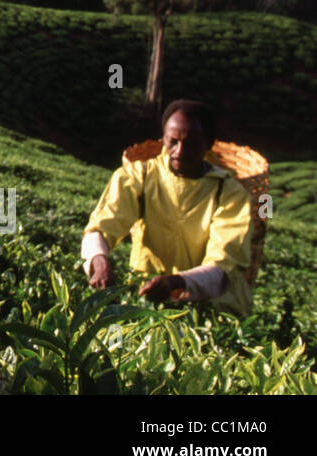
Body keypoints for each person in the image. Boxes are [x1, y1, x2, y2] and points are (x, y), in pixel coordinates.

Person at [81, 99, 254, 316]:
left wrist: (177, 282)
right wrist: (98, 259)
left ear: (209, 144)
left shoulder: (229, 193)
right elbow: (101, 226)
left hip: (210, 305)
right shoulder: (140, 176)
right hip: (147, 294)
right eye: (172, 142)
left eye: (190, 144)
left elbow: (223, 266)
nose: (179, 151)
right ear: (163, 138)